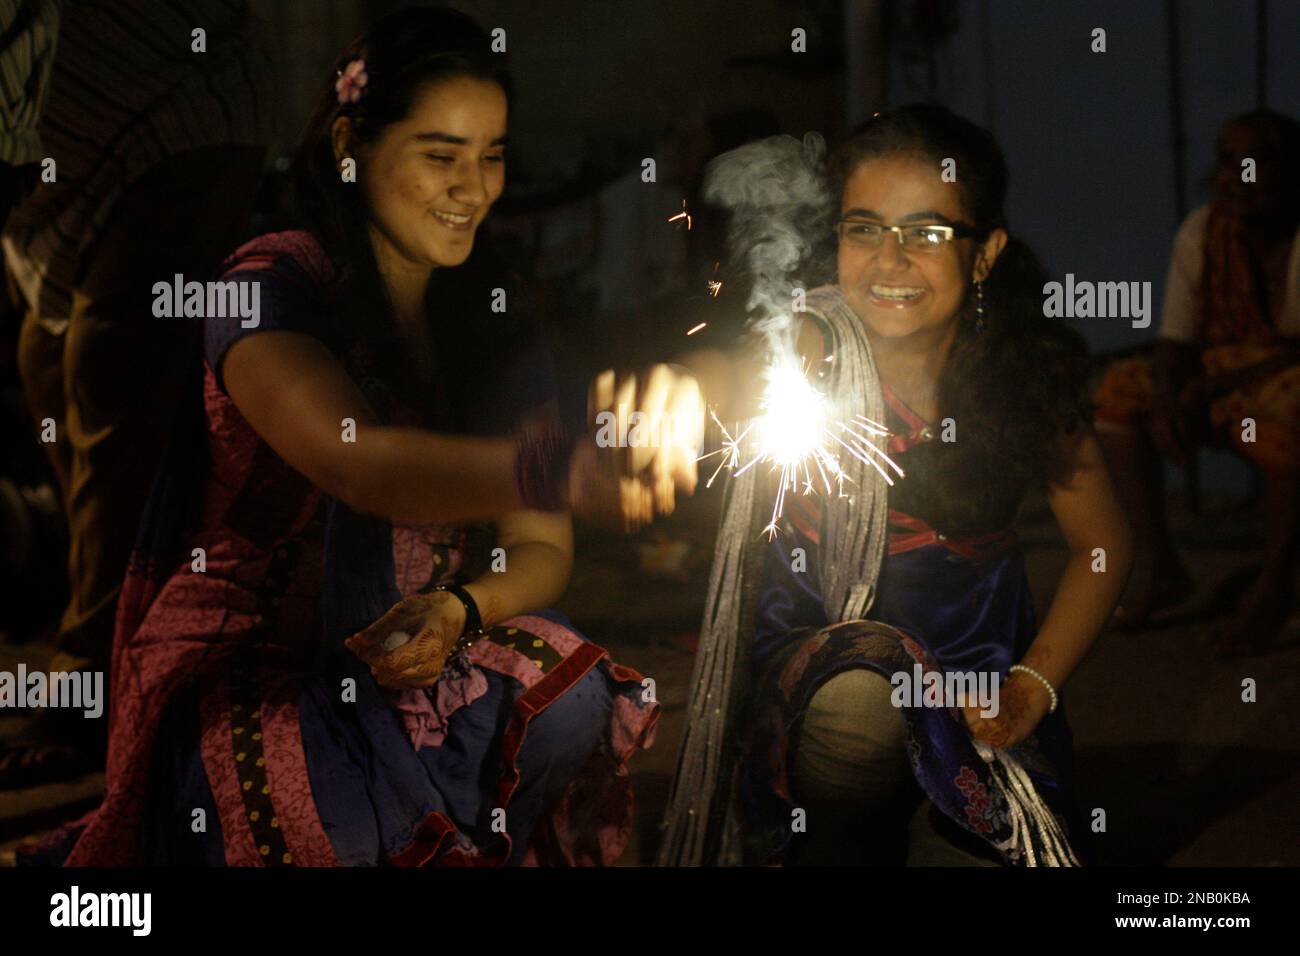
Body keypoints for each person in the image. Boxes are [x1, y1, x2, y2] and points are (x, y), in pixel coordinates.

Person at [26, 7, 699, 867]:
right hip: (259, 650)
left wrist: (459, 608)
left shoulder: (490, 312)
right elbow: (359, 461)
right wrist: (556, 467)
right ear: (350, 144)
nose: (474, 187)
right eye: (440, 155)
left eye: (491, 156)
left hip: (417, 636)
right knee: (321, 815)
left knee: (572, 704)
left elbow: (539, 548)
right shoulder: (267, 285)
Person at [658, 104, 1132, 867]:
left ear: (986, 253)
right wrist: (685, 386)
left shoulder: (1023, 372)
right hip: (825, 649)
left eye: (928, 232)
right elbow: (745, 369)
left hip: (979, 657)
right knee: (856, 716)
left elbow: (1103, 545)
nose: (890, 259)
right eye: (864, 228)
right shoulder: (816, 337)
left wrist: (1033, 686)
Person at [1, 0, 272, 786]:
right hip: (74, 147)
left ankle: (97, 686)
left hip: (176, 106)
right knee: (49, 372)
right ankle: (130, 636)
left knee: (111, 375)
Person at [1094, 110, 1300, 656]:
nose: (1236, 175)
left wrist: (1212, 388)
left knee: (1291, 416)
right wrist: (1167, 400)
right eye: (1228, 160)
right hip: (1226, 380)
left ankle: (1275, 588)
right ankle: (1159, 566)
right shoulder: (1203, 232)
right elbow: (1176, 340)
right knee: (1116, 393)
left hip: (1279, 380)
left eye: (1253, 161)